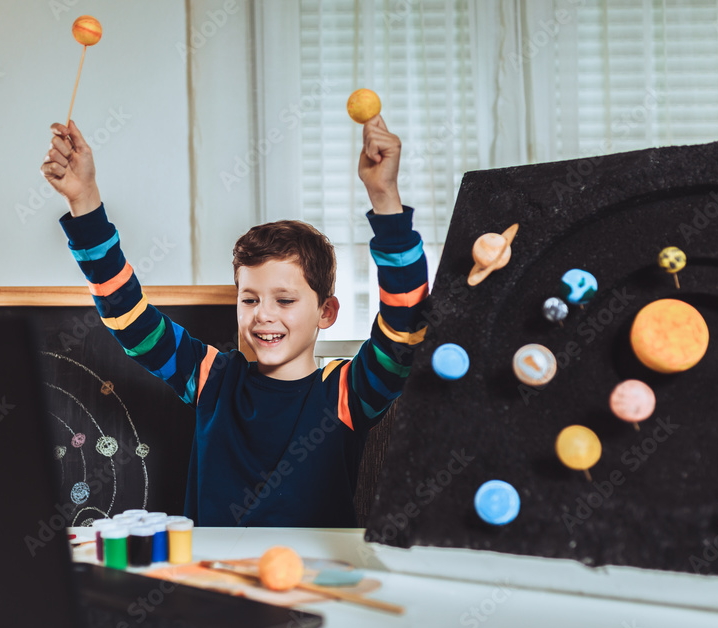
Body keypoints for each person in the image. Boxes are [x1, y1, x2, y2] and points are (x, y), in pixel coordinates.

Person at [41, 114, 429, 527]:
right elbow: (129, 318)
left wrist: (385, 197)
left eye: (285, 300)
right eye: (250, 299)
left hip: (314, 579)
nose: (263, 314)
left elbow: (403, 332)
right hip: (215, 576)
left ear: (326, 313)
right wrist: (84, 202)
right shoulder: (213, 378)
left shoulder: (345, 393)